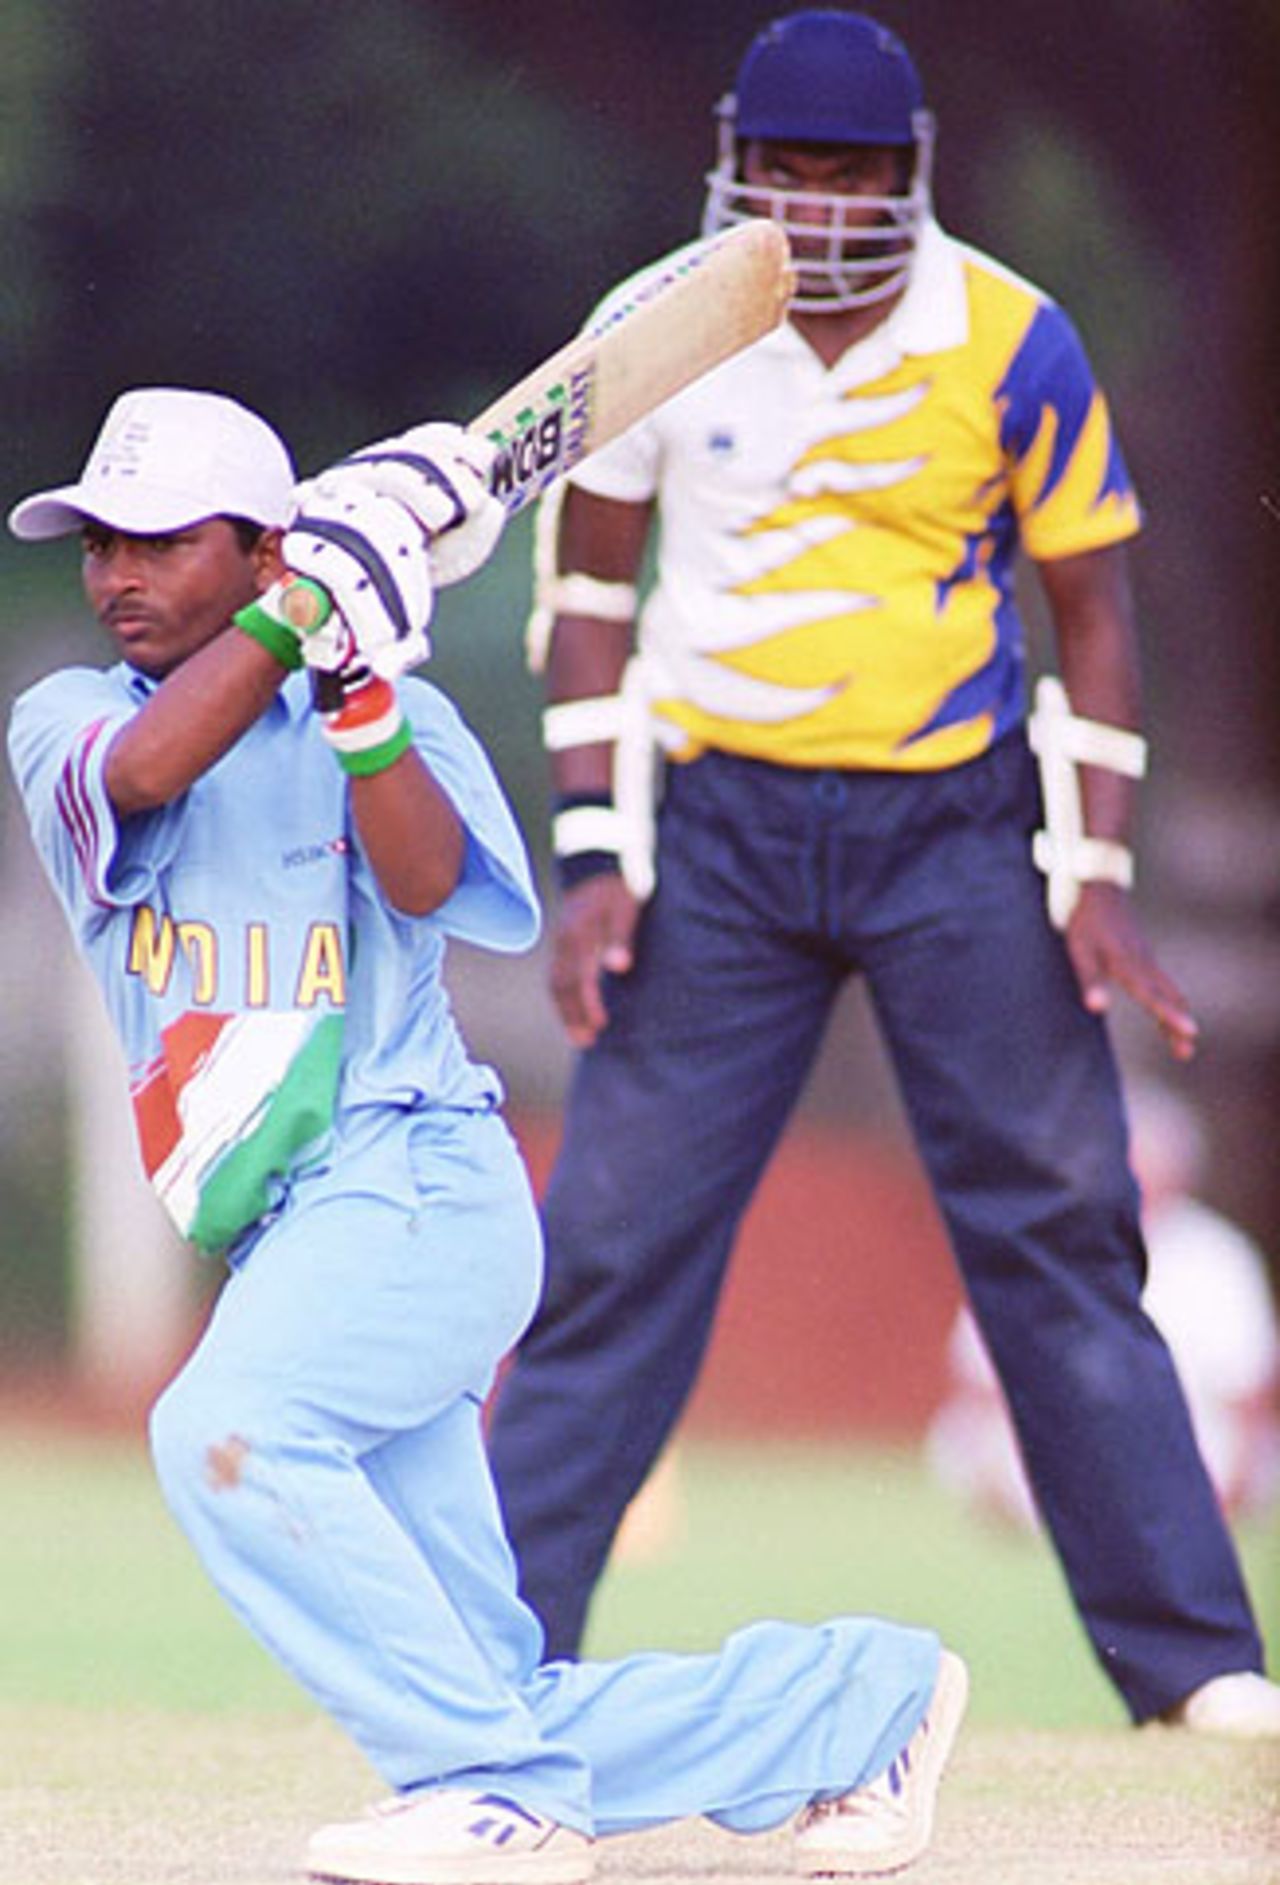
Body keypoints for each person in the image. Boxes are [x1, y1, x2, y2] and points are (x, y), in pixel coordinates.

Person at [7, 384, 972, 1885]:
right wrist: (300, 607)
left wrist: (362, 685)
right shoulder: (67, 720)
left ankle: (492, 1797)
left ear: (257, 549)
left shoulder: (385, 700)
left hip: (414, 1187)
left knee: (222, 1432)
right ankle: (861, 1699)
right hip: (285, 1235)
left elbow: (423, 880)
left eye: (162, 542)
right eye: (100, 545)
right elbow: (143, 781)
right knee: (493, 1689)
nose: (119, 576)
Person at [486, 8, 1280, 1740]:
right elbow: (590, 602)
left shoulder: (1013, 331)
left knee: (1063, 1224)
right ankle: (488, 1659)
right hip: (724, 834)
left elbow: (1091, 609)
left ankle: (1195, 1667)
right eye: (788, 169)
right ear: (736, 165)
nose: (820, 202)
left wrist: (1089, 867)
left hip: (955, 828)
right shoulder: (653, 330)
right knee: (618, 1234)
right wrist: (601, 857)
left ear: (908, 175)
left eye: (851, 170)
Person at [928, 1080, 1280, 1529]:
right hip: (1062, 1442)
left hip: (1181, 1441)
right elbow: (979, 1374)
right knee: (964, 1443)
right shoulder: (1038, 1243)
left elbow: (1249, 1387)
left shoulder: (1218, 1255)